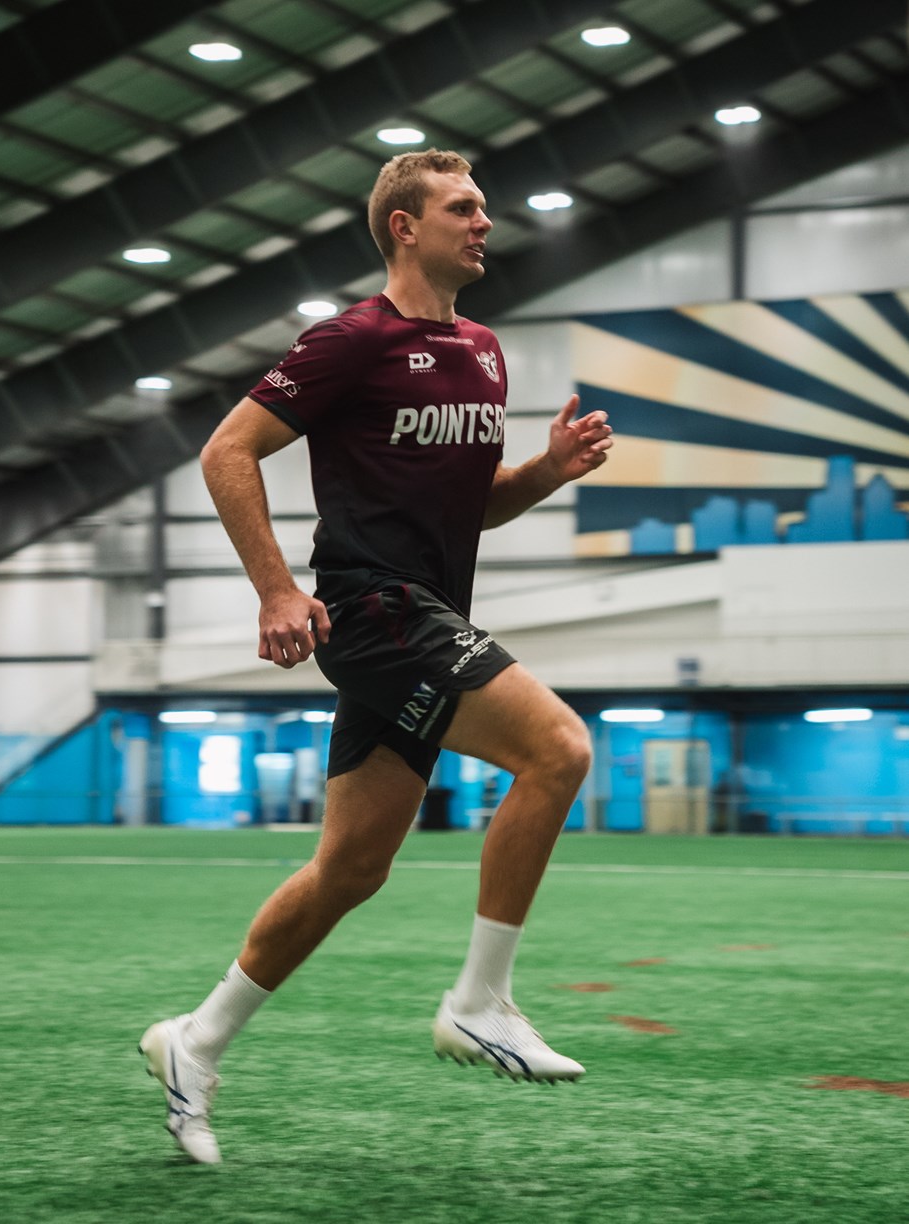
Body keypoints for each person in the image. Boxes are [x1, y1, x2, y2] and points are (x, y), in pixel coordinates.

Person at [139, 149, 613, 1164]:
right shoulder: (350, 340)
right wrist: (277, 589)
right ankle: (480, 1002)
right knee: (559, 749)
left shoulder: (483, 351)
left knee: (351, 868)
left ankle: (195, 1040)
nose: (484, 223)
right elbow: (226, 451)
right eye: (462, 208)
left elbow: (472, 506)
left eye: (483, 208)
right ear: (405, 226)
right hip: (375, 613)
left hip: (428, 616)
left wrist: (546, 470)